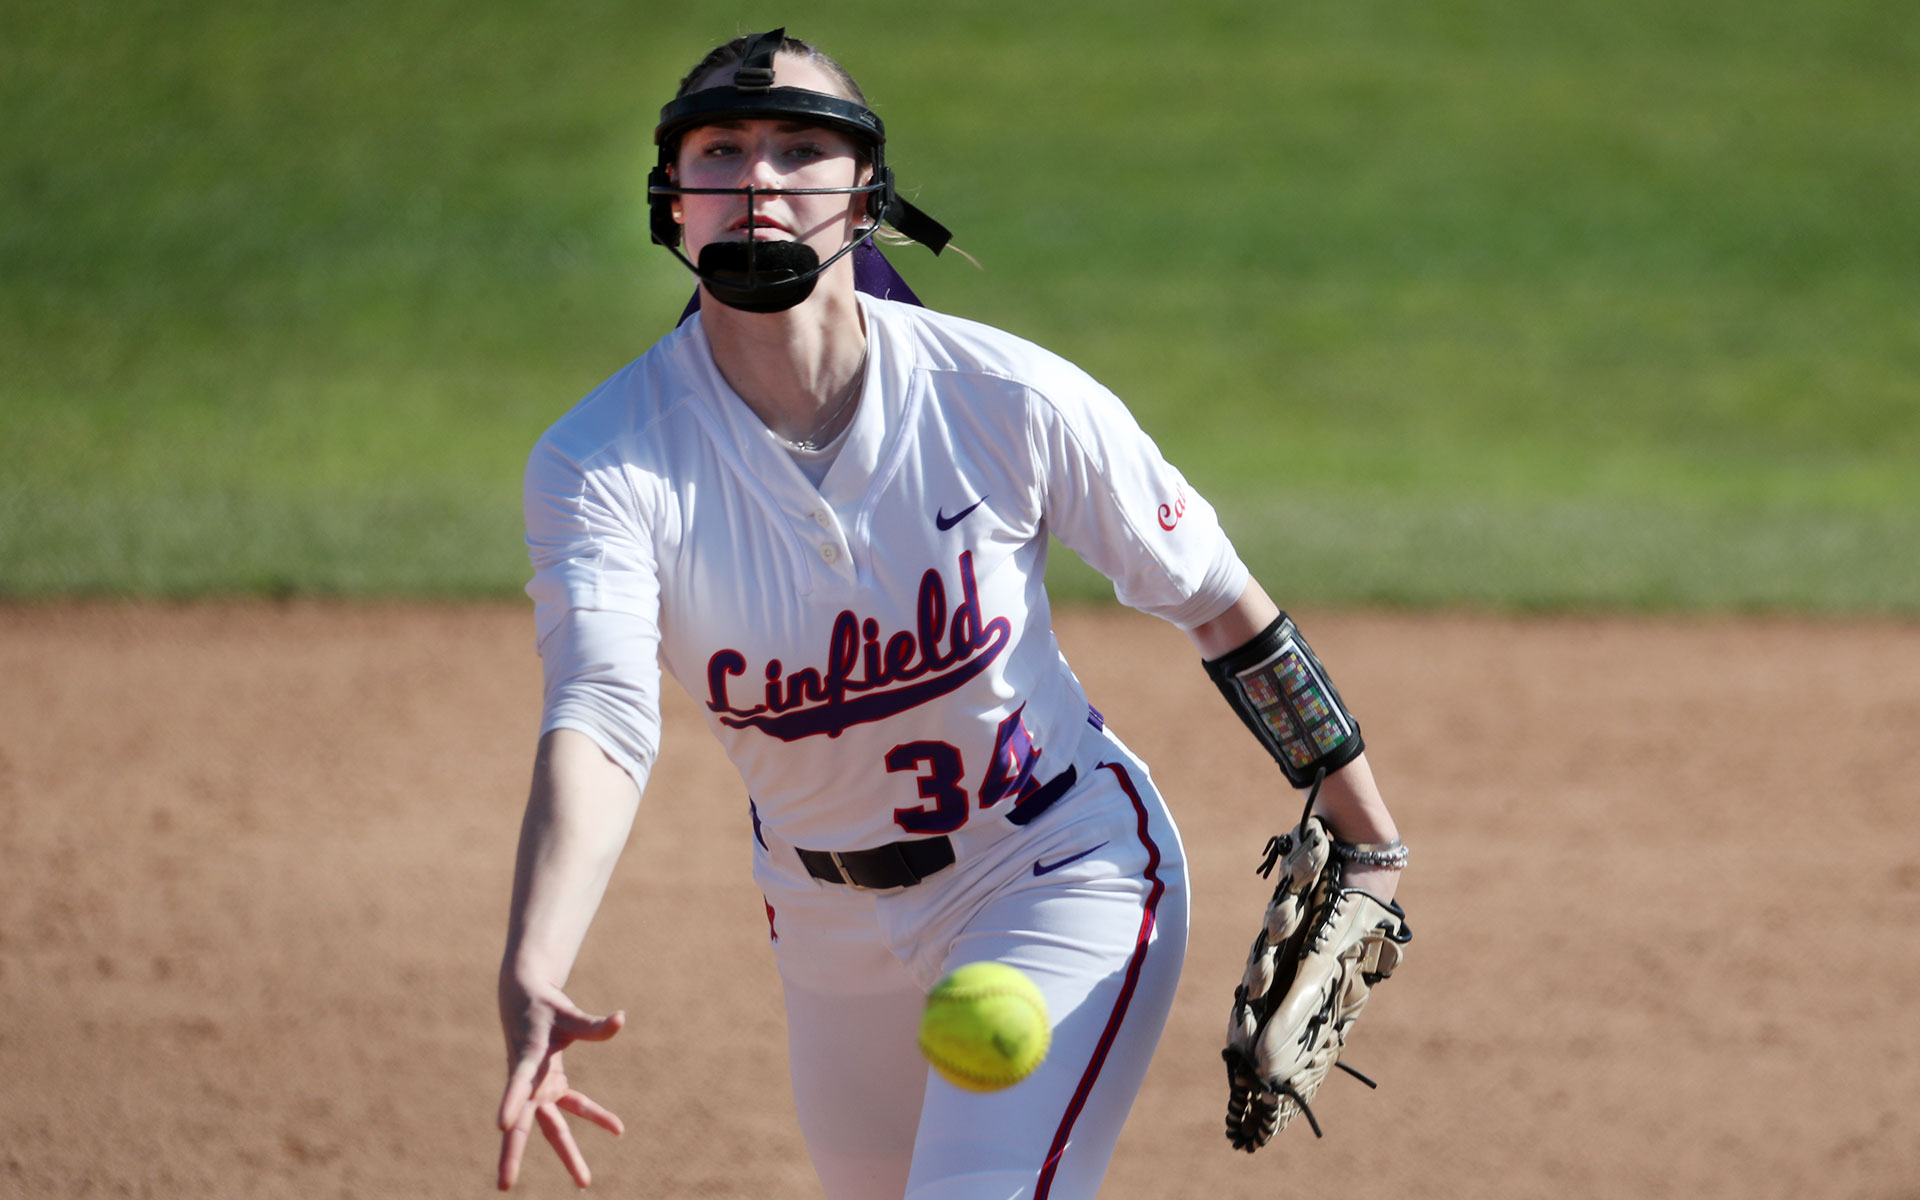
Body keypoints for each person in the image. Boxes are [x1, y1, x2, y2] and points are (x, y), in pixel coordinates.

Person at [493, 29, 1405, 1199]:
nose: (759, 177)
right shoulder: (604, 462)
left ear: (865, 194)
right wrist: (535, 959)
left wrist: (1366, 831)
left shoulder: (1004, 398)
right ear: (673, 198)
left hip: (1055, 866)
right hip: (823, 926)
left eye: (800, 149)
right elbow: (605, 716)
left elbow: (1218, 600)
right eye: (721, 150)